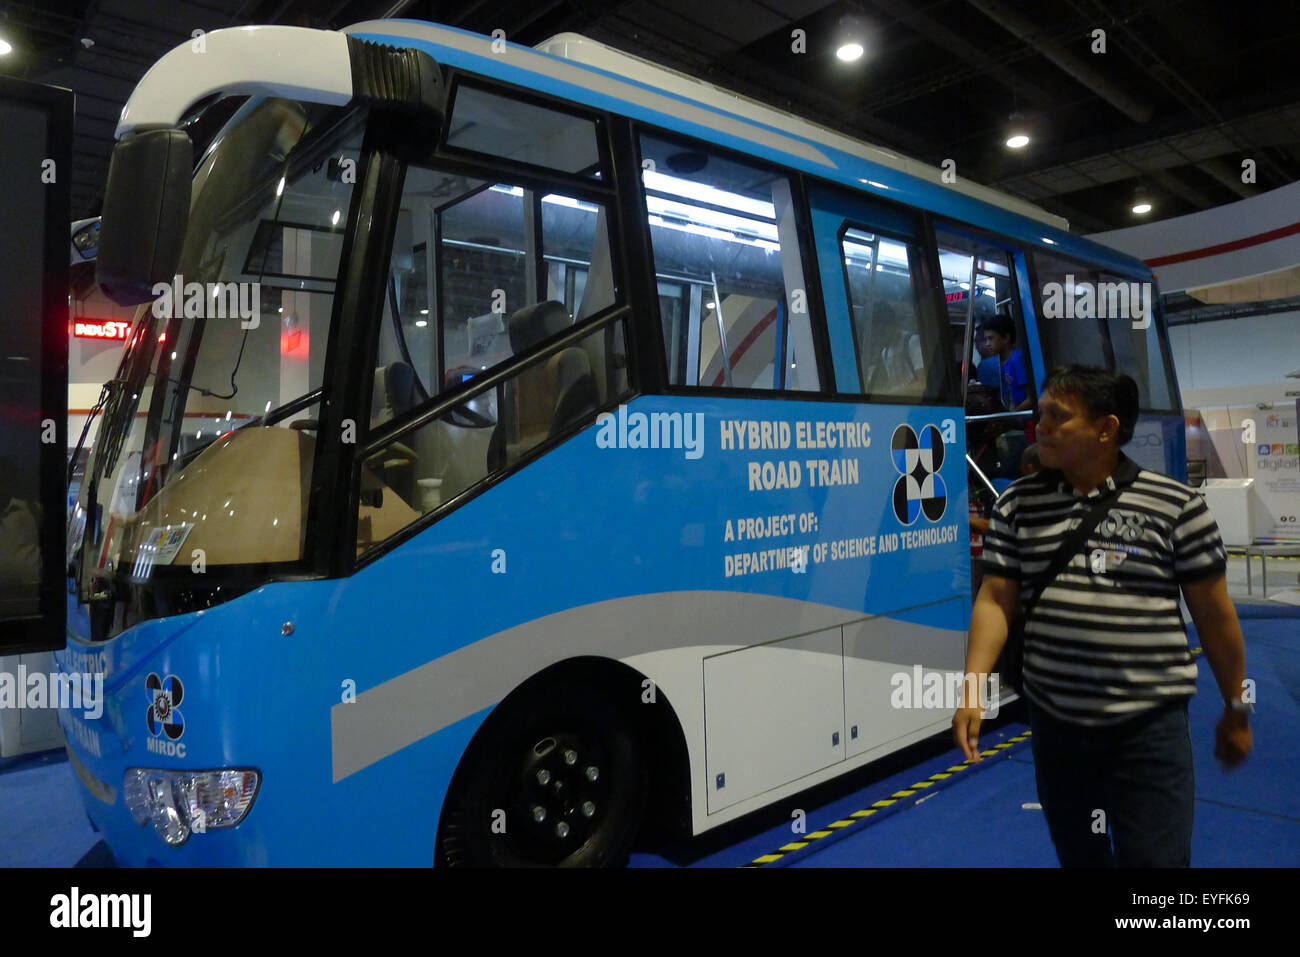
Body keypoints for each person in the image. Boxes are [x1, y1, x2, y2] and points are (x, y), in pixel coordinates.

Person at [952, 365, 1251, 867]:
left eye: (1057, 417)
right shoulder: (1017, 506)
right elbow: (996, 598)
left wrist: (1237, 708)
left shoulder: (1175, 507)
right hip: (1056, 727)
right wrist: (972, 689)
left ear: (1106, 429)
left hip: (1148, 730)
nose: (1040, 426)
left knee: (1156, 863)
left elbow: (1216, 618)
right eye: (1040, 413)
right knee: (1080, 855)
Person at [977, 312, 1031, 411]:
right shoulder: (1002, 362)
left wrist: (1013, 415)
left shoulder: (1017, 359)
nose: (987, 344)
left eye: (991, 338)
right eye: (986, 339)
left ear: (1006, 338)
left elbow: (1031, 398)